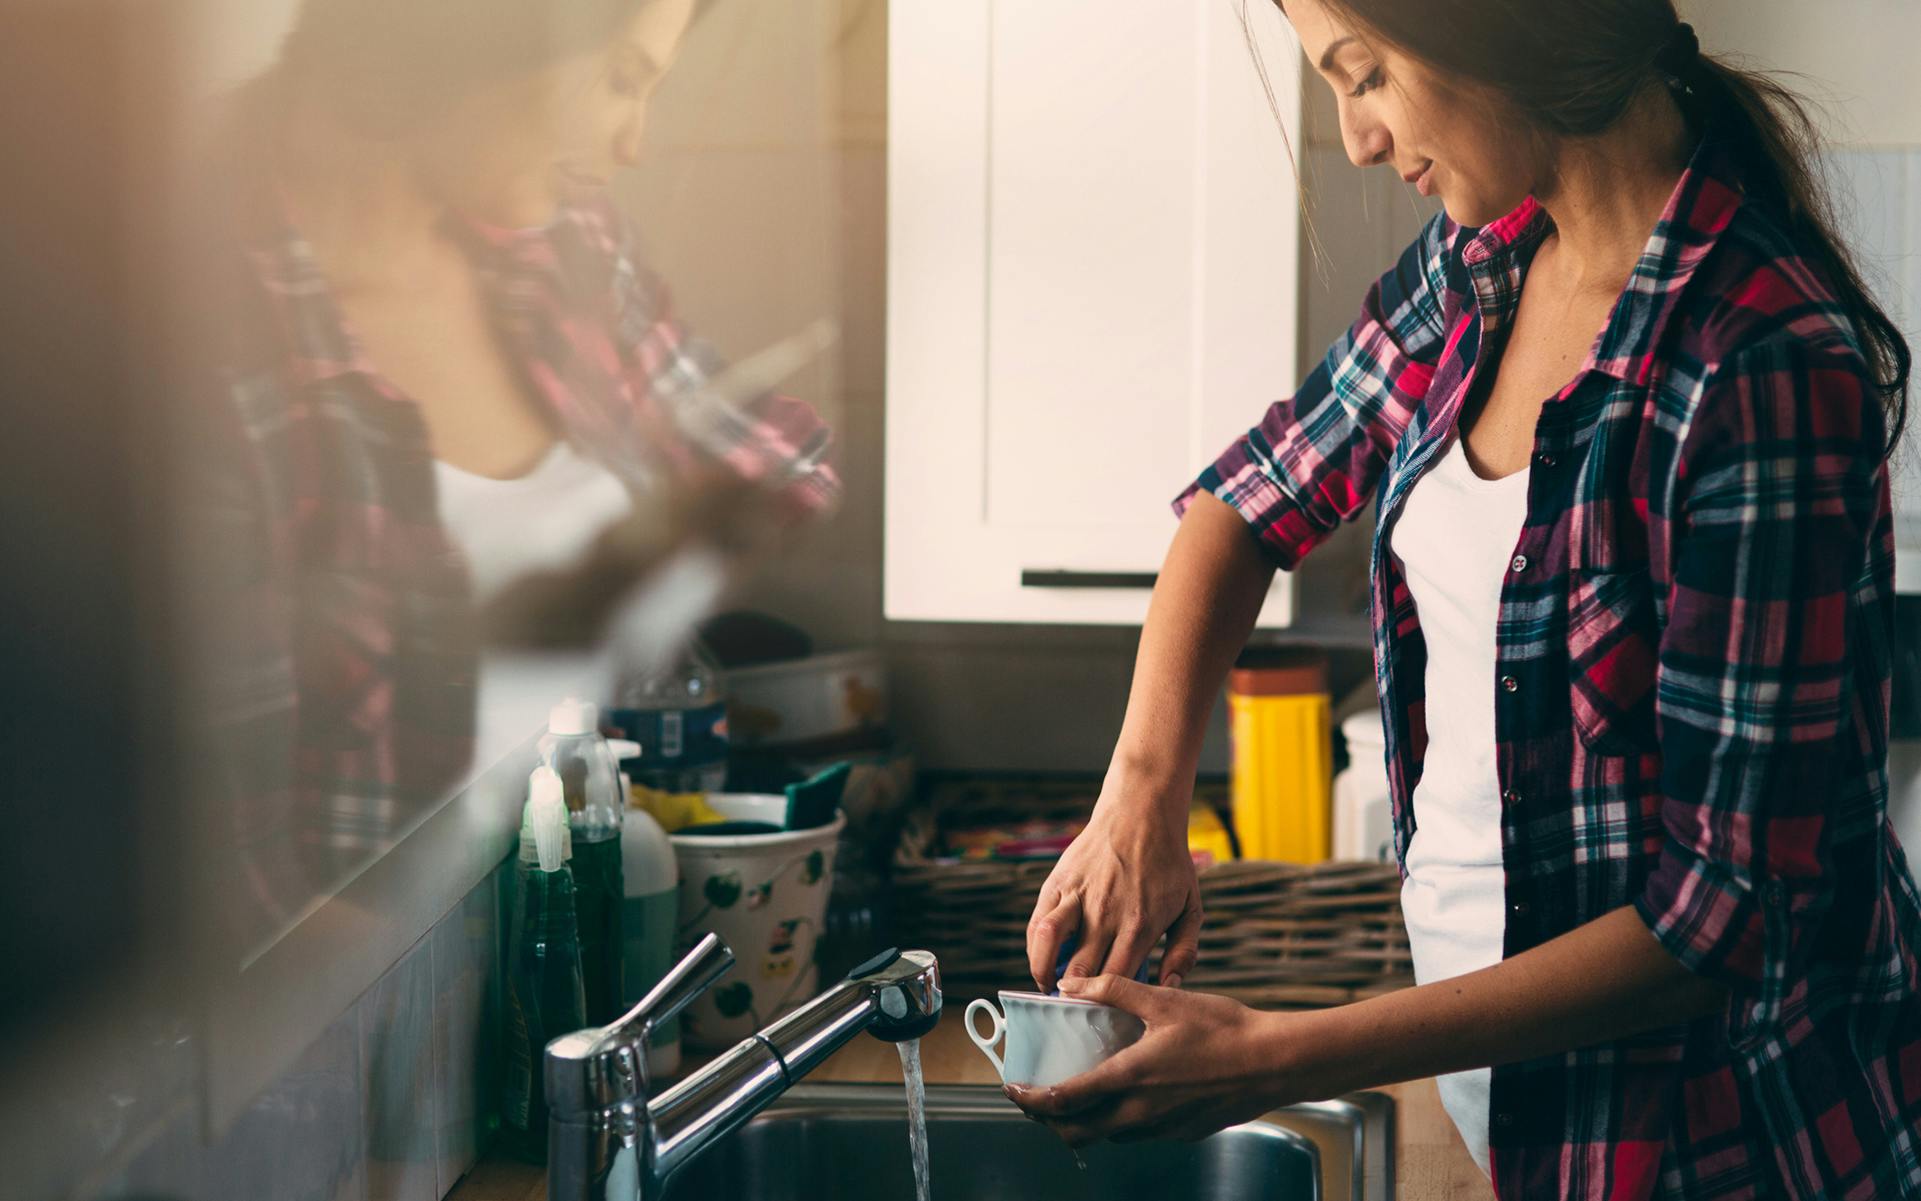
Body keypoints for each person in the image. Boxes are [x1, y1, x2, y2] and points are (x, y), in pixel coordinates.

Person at [1010, 2, 1920, 1197]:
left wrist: (1270, 1056)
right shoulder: (1476, 270)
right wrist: (1138, 804)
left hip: (1727, 1147)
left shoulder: (1757, 363)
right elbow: (1242, 506)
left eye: (1368, 74)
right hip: (1518, 1118)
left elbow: (1723, 917)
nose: (1358, 139)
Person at [186, 0, 836, 950]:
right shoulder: (201, 346)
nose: (632, 143)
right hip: (351, 1019)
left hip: (510, 934)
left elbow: (780, 464)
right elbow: (240, 904)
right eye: (621, 79)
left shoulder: (555, 243)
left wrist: (605, 583)